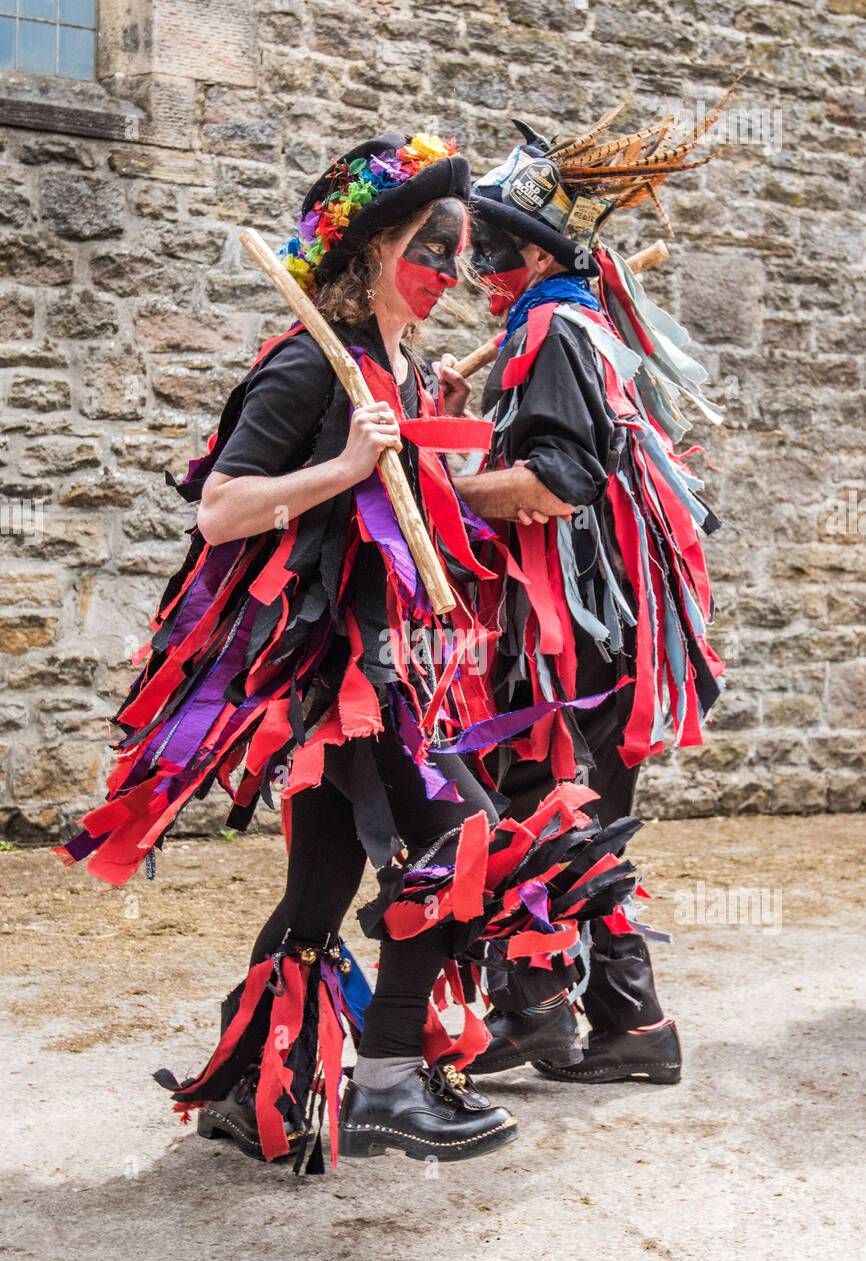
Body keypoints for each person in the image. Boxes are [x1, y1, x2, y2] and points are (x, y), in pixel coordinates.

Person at [59, 130, 641, 1169]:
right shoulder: (304, 361)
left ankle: (248, 1092)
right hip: (335, 681)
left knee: (322, 887)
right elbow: (226, 510)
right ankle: (384, 1083)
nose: (449, 279)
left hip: (387, 676)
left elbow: (405, 502)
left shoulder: (393, 367)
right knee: (460, 839)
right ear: (372, 250)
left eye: (461, 262)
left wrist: (426, 431)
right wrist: (340, 463)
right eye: (431, 253)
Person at [452, 94, 734, 1084]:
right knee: (549, 812)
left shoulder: (557, 335)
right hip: (573, 637)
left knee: (554, 811)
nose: (476, 267)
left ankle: (574, 1013)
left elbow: (555, 484)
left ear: (533, 257)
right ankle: (567, 1011)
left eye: (492, 248)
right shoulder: (556, 329)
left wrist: (438, 485)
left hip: (582, 640)